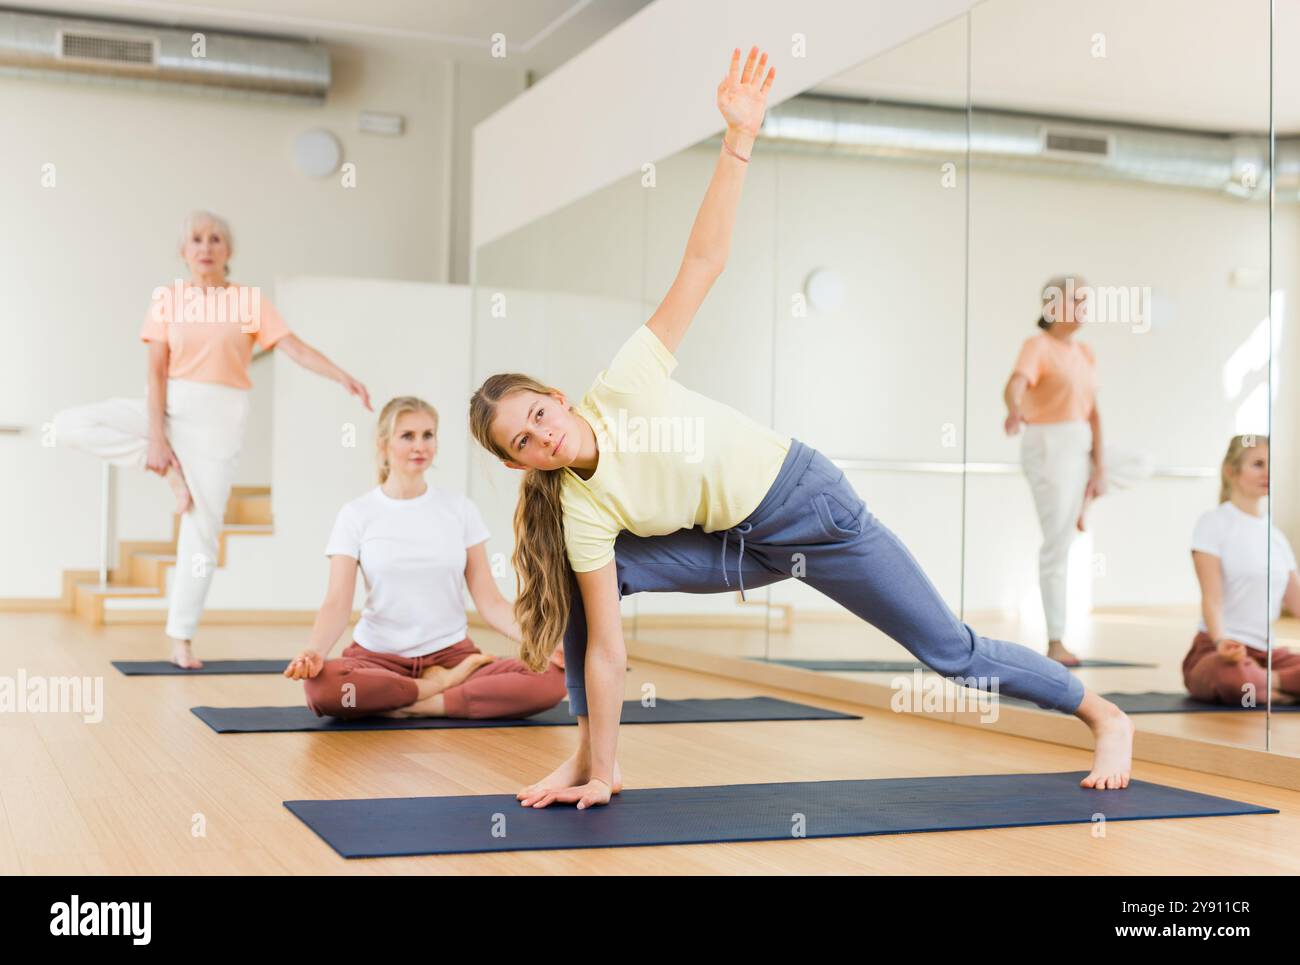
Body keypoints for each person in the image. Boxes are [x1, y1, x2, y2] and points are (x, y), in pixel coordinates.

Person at [466, 47, 1136, 811]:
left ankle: (1101, 713)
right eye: (522, 441)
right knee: (602, 586)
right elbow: (609, 651)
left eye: (539, 414)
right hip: (737, 546)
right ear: (519, 464)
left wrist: (738, 139)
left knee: (949, 651)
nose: (543, 435)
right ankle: (591, 761)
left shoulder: (624, 382)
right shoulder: (578, 508)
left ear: (557, 396)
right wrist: (603, 768)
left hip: (812, 511)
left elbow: (703, 262)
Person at [53, 211, 371, 669]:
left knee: (202, 532)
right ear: (184, 252)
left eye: (215, 238)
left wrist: (343, 376)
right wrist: (157, 440)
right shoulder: (168, 298)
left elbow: (294, 348)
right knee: (69, 425)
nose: (205, 246)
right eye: (196, 239)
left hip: (221, 417)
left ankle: (180, 639)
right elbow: (156, 369)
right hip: (168, 402)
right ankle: (165, 466)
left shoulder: (248, 302)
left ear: (229, 251)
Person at [283, 397, 566, 720]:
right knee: (322, 688)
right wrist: (315, 652)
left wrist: (542, 644)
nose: (420, 446)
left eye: (428, 435)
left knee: (554, 679)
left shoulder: (460, 510)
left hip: (454, 657)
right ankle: (441, 690)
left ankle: (417, 702)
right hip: (378, 659)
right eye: (407, 436)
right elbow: (337, 603)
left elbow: (491, 603)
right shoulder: (356, 514)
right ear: (383, 443)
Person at [1003, 274, 1148, 665]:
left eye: (1086, 302)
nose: (1083, 310)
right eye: (1076, 302)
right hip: (1048, 445)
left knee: (1140, 463)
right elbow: (1016, 383)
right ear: (1052, 306)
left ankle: (1085, 495)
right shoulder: (1038, 346)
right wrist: (1014, 408)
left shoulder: (1084, 352)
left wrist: (1100, 469)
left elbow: (1095, 413)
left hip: (1080, 442)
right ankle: (1055, 640)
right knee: (1058, 544)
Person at [1185, 434, 1300, 705]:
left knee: (1249, 679)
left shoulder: (1277, 537)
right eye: (1258, 464)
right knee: (1235, 677)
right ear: (1231, 471)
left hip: (1266, 656)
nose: (1267, 473)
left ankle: (1267, 685)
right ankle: (1273, 687)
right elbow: (1211, 598)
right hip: (1219, 652)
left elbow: (1297, 602)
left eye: (1271, 465)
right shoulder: (1213, 523)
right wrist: (1220, 640)